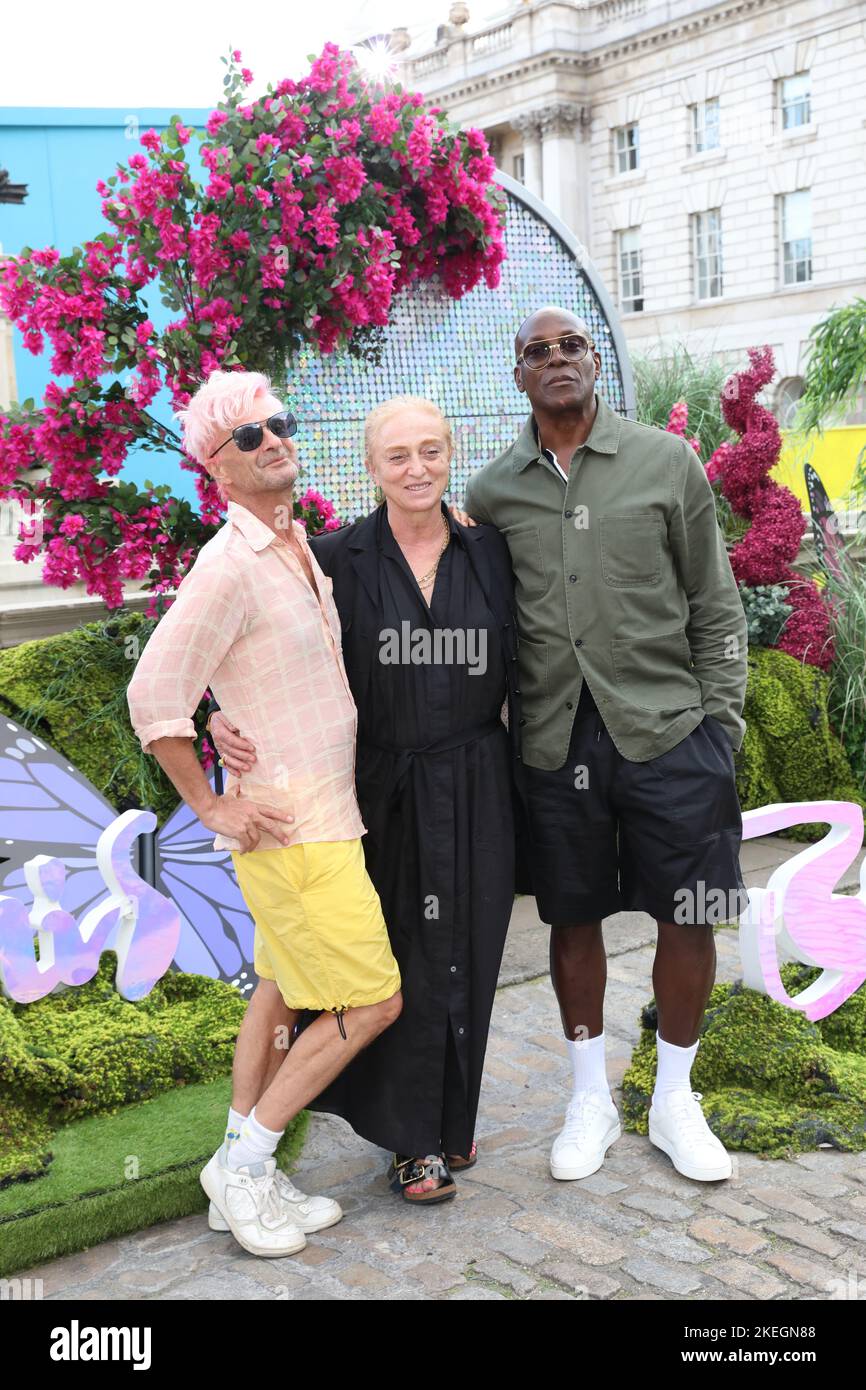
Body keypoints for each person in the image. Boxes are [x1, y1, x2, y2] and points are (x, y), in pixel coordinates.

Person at [210, 395, 528, 1202]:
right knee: (406, 964)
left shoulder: (493, 552)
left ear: (452, 454)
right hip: (377, 787)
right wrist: (216, 717)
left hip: (479, 778)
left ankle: (452, 1126)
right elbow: (252, 647)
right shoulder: (333, 558)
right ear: (371, 467)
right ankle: (410, 1142)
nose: (416, 468)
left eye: (431, 451)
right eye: (397, 456)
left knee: (472, 953)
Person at [462, 305, 749, 1184]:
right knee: (571, 913)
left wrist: (721, 726)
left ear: (595, 362)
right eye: (536, 352)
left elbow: (714, 599)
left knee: (689, 911)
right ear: (518, 376)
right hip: (554, 742)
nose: (555, 361)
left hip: (669, 731)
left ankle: (673, 1098)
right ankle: (589, 1096)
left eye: (570, 346)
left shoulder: (666, 463)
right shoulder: (493, 492)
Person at [127, 370, 403, 1257]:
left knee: (282, 991)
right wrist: (210, 802)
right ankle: (250, 1168)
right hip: (294, 830)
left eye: (277, 424)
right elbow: (154, 690)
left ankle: (232, 1167)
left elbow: (227, 679)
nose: (272, 440)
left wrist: (221, 716)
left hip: (322, 814)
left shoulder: (291, 543)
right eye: (248, 436)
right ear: (218, 467)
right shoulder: (227, 566)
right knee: (372, 1001)